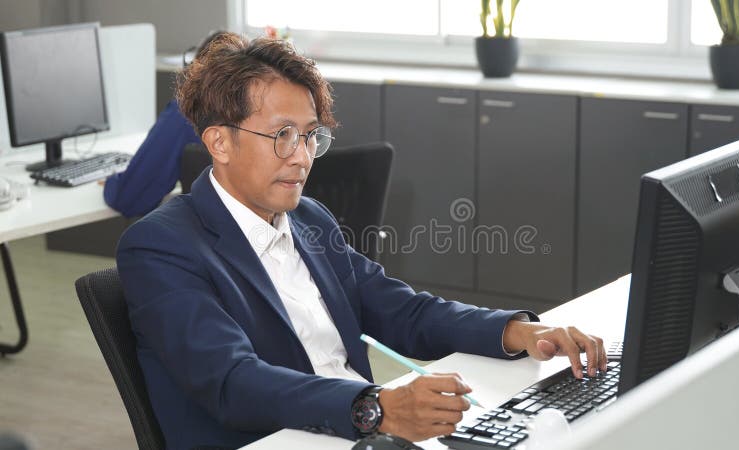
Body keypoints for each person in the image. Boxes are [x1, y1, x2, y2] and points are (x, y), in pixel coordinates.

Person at [116, 33, 607, 450]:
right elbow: (232, 381)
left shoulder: (309, 219)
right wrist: (376, 408)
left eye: (310, 135)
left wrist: (519, 332)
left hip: (355, 433)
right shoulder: (161, 246)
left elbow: (404, 312)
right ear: (220, 142)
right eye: (282, 135)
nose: (302, 157)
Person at [102, 32, 225, 217]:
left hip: (212, 231)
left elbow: (129, 198)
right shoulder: (263, 116)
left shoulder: (188, 113)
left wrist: (113, 179)